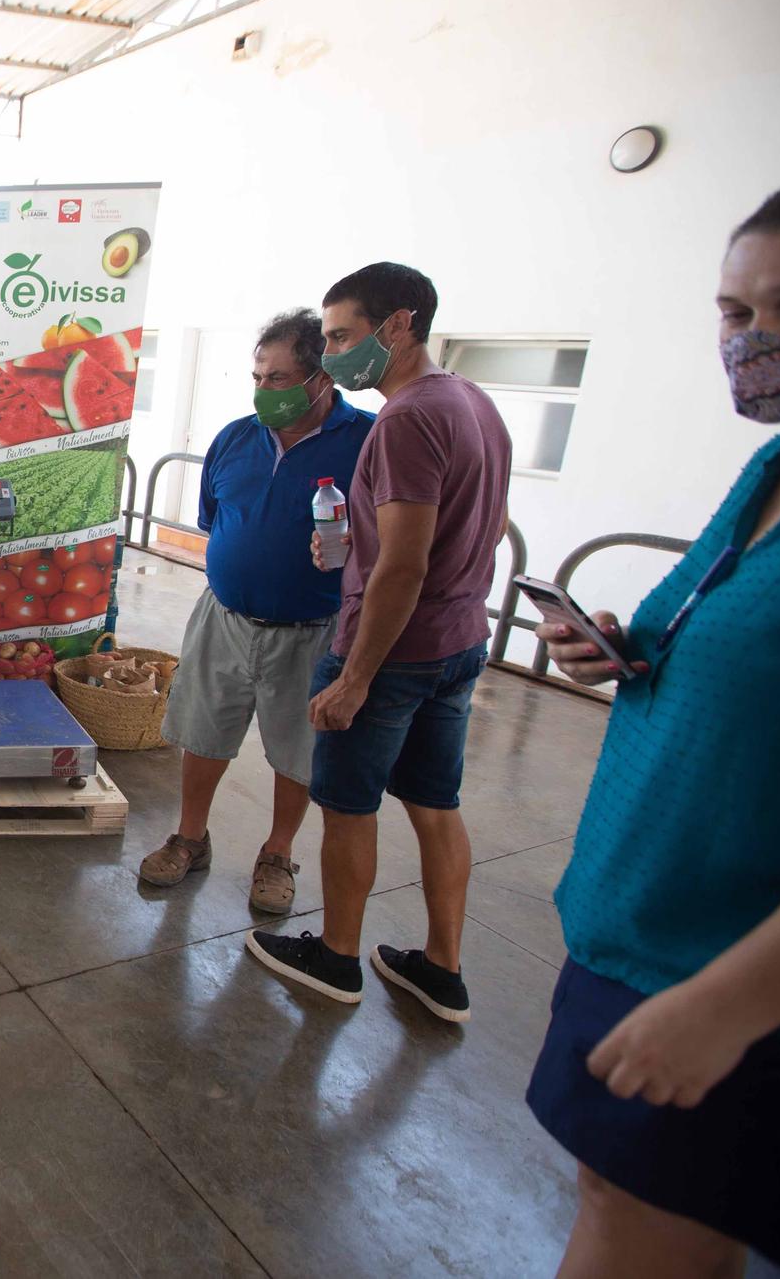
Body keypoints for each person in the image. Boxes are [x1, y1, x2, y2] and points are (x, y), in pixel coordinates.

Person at [524, 187, 780, 1276]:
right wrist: (627, 646)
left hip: (726, 968)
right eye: (733, 312)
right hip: (639, 922)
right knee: (619, 1194)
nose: (752, 339)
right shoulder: (767, 471)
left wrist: (730, 1006)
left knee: (640, 1225)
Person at [244, 262, 511, 1024]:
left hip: (392, 651)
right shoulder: (474, 402)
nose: (330, 354)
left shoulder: (403, 418)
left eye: (340, 336)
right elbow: (479, 523)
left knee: (348, 807)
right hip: (458, 641)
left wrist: (357, 673)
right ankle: (442, 969)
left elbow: (403, 563)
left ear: (399, 325)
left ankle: (335, 956)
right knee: (435, 806)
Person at [143, 308, 375, 913]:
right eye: (257, 376)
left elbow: (389, 541)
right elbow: (214, 522)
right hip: (225, 617)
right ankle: (190, 836)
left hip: (313, 629)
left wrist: (349, 549)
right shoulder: (234, 438)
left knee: (298, 747)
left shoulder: (368, 441)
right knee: (203, 731)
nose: (262, 390)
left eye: (277, 379)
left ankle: (278, 852)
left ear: (322, 379)